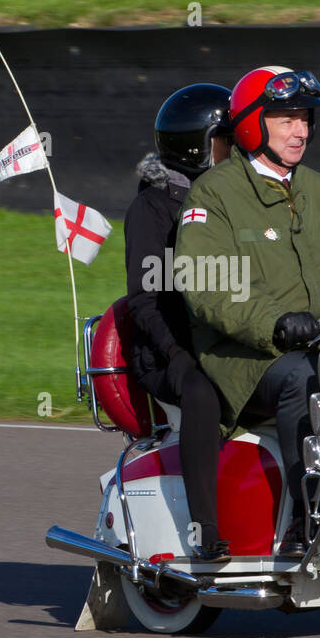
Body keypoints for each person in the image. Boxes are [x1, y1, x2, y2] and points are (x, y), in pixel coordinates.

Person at [175, 66, 320, 558]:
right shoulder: (215, 194)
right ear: (251, 124)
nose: (300, 130)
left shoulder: (319, 191)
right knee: (305, 380)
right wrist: (275, 323)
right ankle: (311, 524)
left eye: (304, 118)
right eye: (284, 119)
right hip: (244, 358)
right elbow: (205, 282)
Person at [125, 84, 232, 562]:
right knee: (203, 391)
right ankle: (204, 528)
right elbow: (144, 303)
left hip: (221, 337)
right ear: (197, 145)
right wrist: (177, 355)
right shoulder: (151, 209)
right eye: (224, 141)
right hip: (163, 349)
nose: (234, 150)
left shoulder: (232, 199)